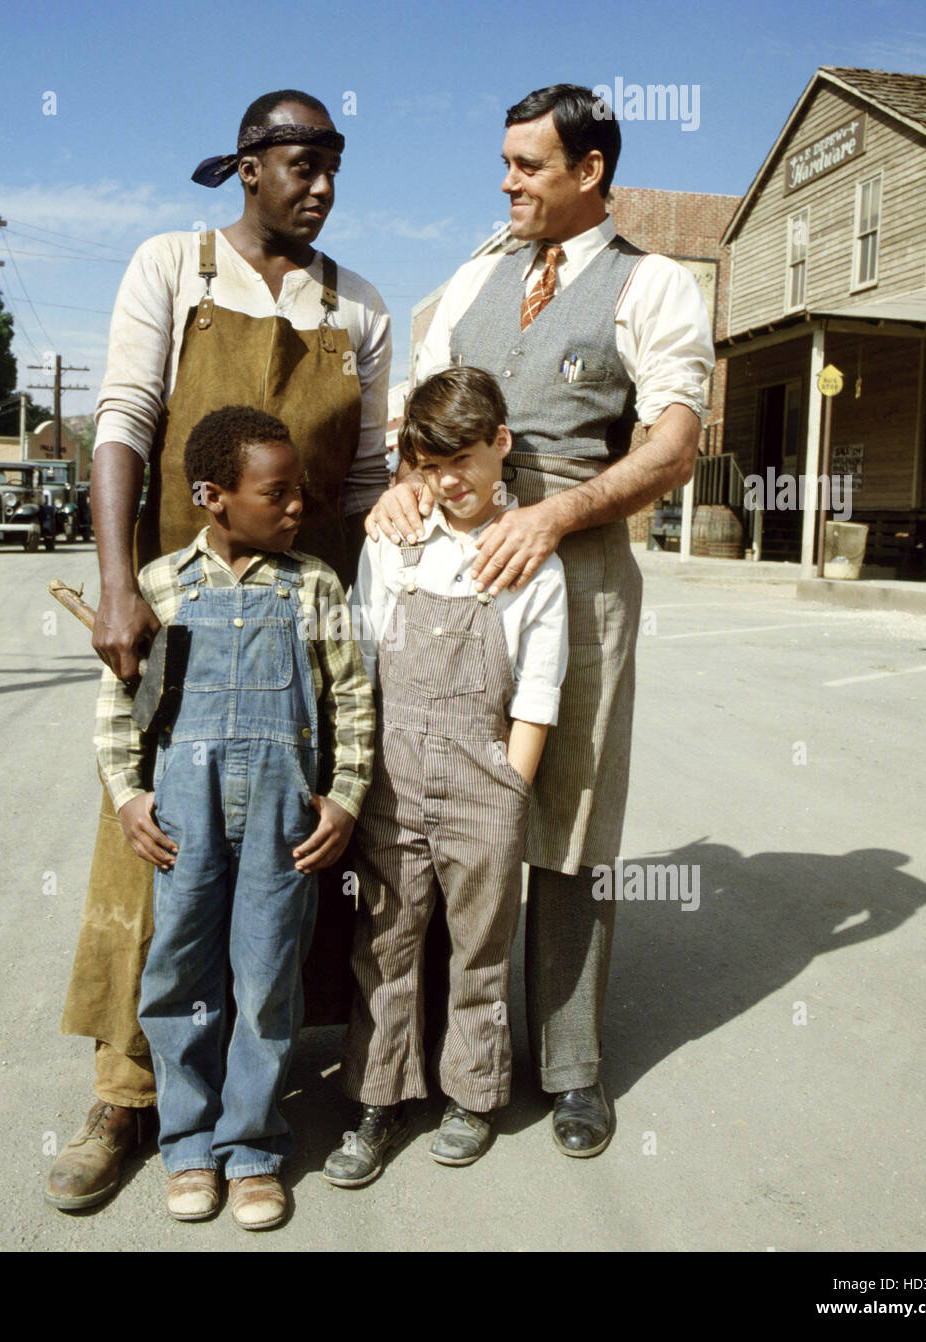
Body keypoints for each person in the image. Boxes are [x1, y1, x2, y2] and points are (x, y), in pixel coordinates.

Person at [46, 89, 390, 1212]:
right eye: (303, 164)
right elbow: (121, 422)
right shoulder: (171, 267)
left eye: (336, 166)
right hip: (176, 612)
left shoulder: (362, 306)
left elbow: (377, 486)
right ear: (249, 165)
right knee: (147, 855)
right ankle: (126, 1094)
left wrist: (367, 629)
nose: (324, 187)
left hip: (300, 616)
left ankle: (255, 1113)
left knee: (278, 881)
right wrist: (114, 588)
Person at [370, 84, 714, 1159]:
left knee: (567, 818)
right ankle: (421, 1061)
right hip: (450, 567)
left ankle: (569, 1066)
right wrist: (396, 484)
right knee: (428, 806)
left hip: (580, 564)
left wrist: (560, 511)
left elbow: (672, 444)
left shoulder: (650, 285)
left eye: (528, 165)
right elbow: (412, 415)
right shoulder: (475, 273)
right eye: (507, 162)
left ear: (590, 172)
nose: (507, 181)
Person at [98, 406, 373, 1228]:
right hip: (183, 812)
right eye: (277, 493)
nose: (298, 508)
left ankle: (252, 1147)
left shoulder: (315, 583)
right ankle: (187, 1143)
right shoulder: (161, 585)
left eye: (301, 492)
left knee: (265, 975)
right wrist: (127, 793)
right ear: (213, 496)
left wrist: (347, 794)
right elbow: (121, 707)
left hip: (284, 814)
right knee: (180, 972)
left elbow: (353, 698)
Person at [324, 367, 568, 1187]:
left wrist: (509, 787)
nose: (446, 484)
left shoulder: (532, 560)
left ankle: (473, 1093)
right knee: (385, 943)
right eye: (427, 467)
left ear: (502, 445)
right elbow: (358, 660)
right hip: (393, 781)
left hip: (482, 787)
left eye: (461, 460)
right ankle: (379, 1098)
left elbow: (537, 692)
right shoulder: (394, 544)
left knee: (479, 949)